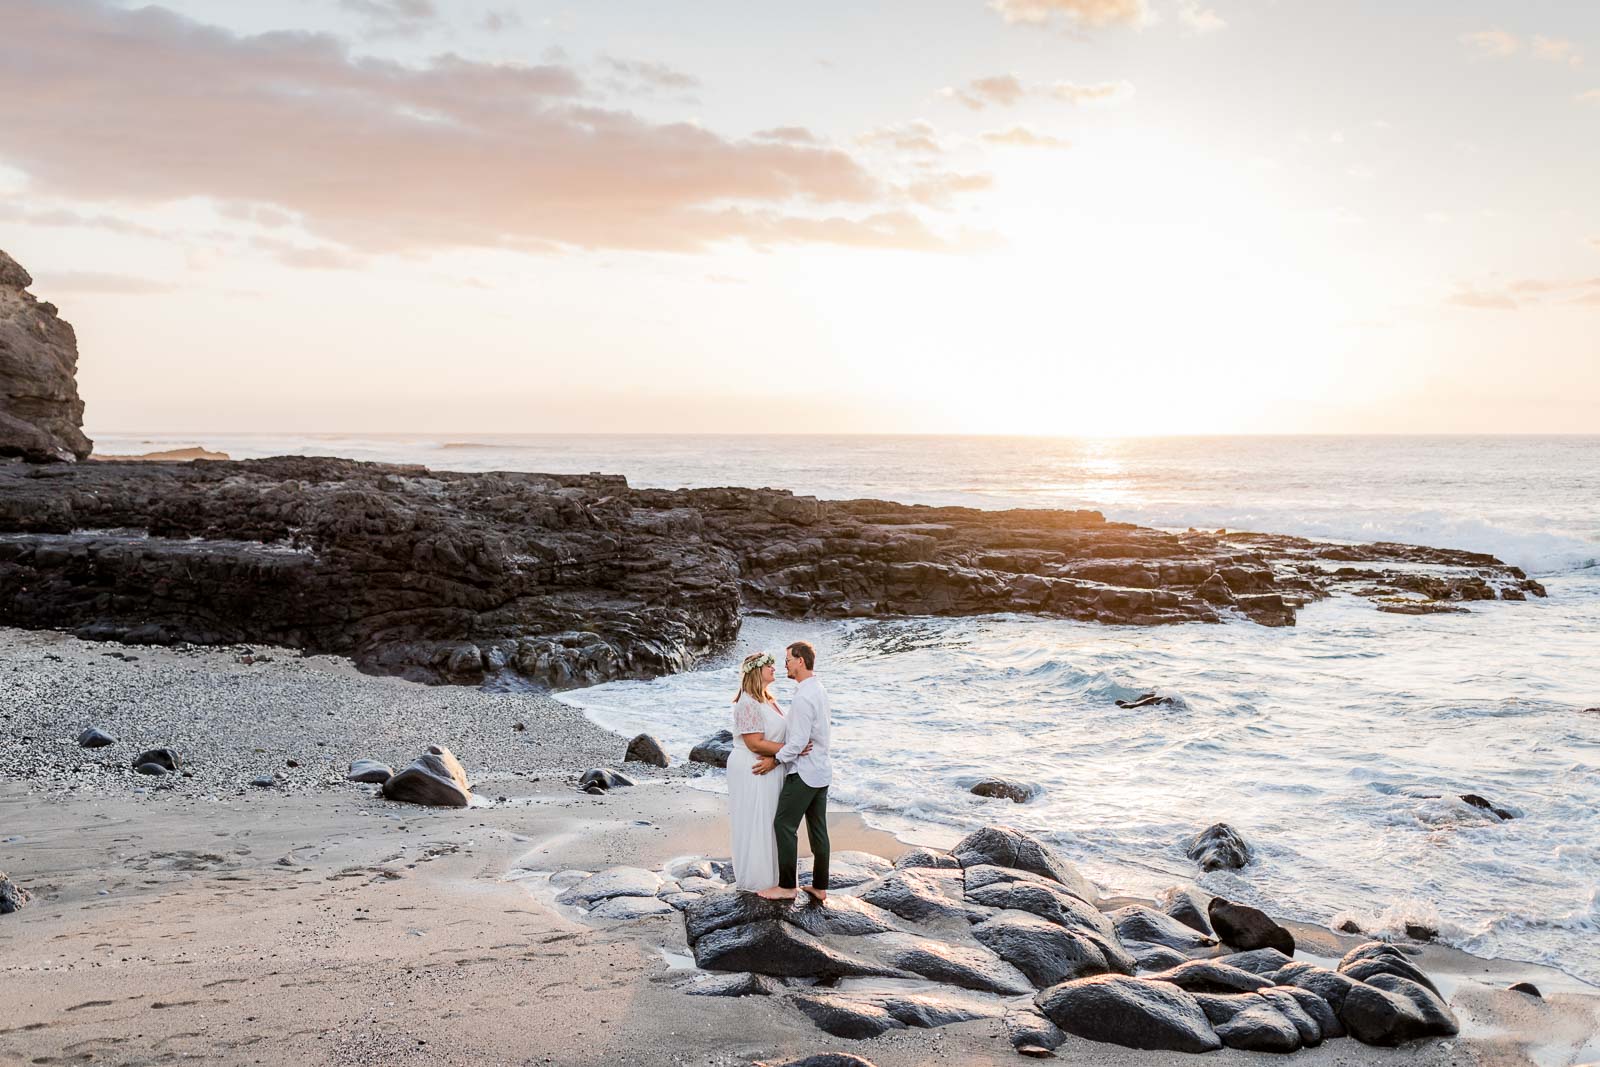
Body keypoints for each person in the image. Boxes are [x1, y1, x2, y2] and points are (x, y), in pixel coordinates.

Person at [755, 641, 831, 902]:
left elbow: (798, 743)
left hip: (805, 773)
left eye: (788, 660)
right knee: (818, 829)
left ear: (800, 661)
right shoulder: (817, 689)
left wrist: (775, 759)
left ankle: (787, 886)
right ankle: (820, 886)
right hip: (821, 771)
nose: (785, 664)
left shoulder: (803, 696)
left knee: (784, 824)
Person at [725, 651, 793, 891]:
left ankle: (772, 878)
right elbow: (754, 743)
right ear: (756, 671)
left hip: (770, 764)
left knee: (769, 819)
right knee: (757, 819)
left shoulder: (769, 699)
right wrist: (791, 750)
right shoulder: (747, 703)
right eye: (770, 665)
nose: (774, 668)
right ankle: (757, 881)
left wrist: (780, 756)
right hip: (752, 766)